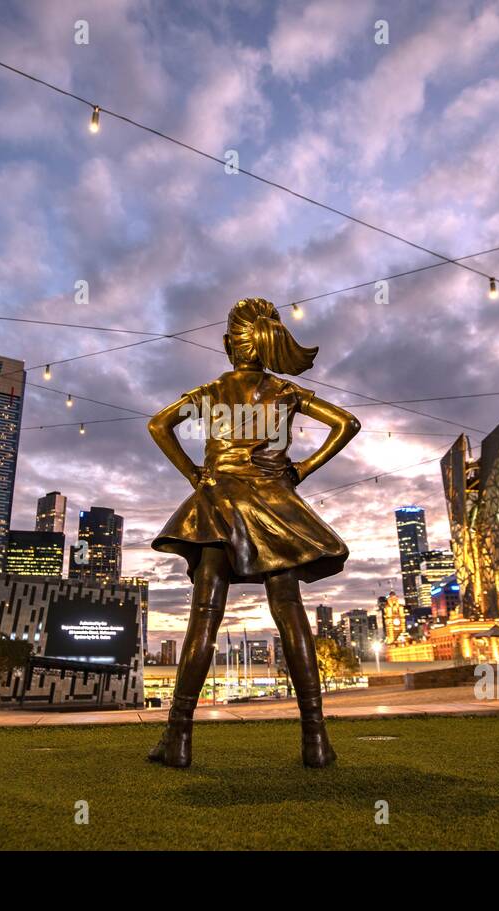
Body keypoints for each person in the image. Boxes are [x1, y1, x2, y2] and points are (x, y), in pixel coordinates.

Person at [148, 297, 360, 768]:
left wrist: (193, 475)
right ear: (266, 344)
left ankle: (178, 739)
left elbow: (159, 425)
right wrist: (301, 469)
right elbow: (348, 424)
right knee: (290, 611)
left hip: (219, 504)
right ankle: (316, 740)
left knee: (204, 615)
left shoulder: (211, 390)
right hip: (275, 505)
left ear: (229, 344)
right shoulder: (284, 392)